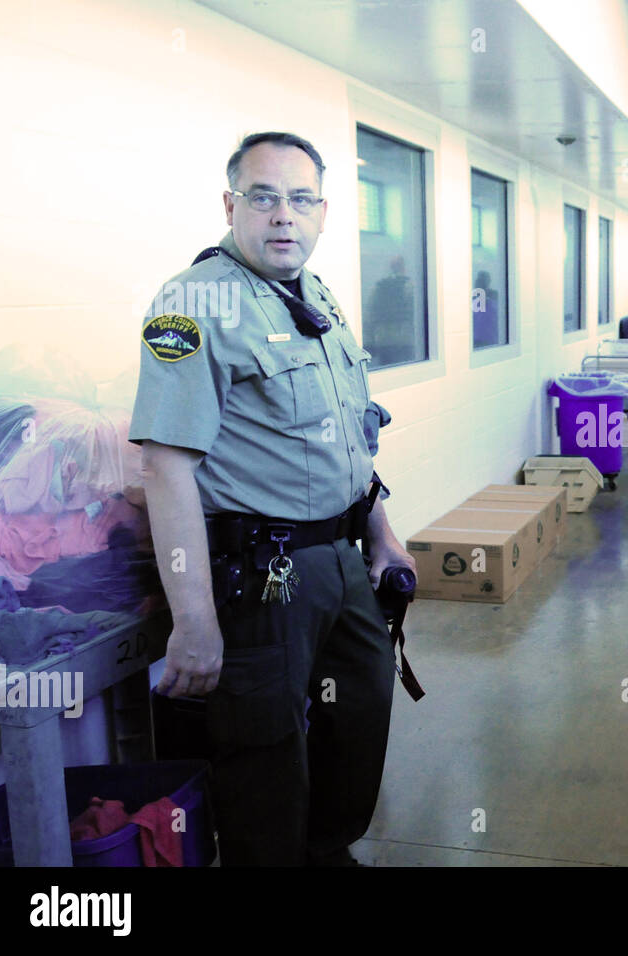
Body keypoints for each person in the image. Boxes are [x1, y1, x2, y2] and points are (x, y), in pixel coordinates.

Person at [129, 131, 416, 866]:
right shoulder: (191, 305)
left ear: (322, 212)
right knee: (266, 754)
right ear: (232, 205)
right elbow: (166, 467)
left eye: (299, 199)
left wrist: (383, 535)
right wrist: (194, 623)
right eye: (263, 197)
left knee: (357, 715)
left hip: (343, 558)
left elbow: (347, 434)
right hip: (265, 577)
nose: (282, 216)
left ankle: (326, 852)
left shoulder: (314, 293)